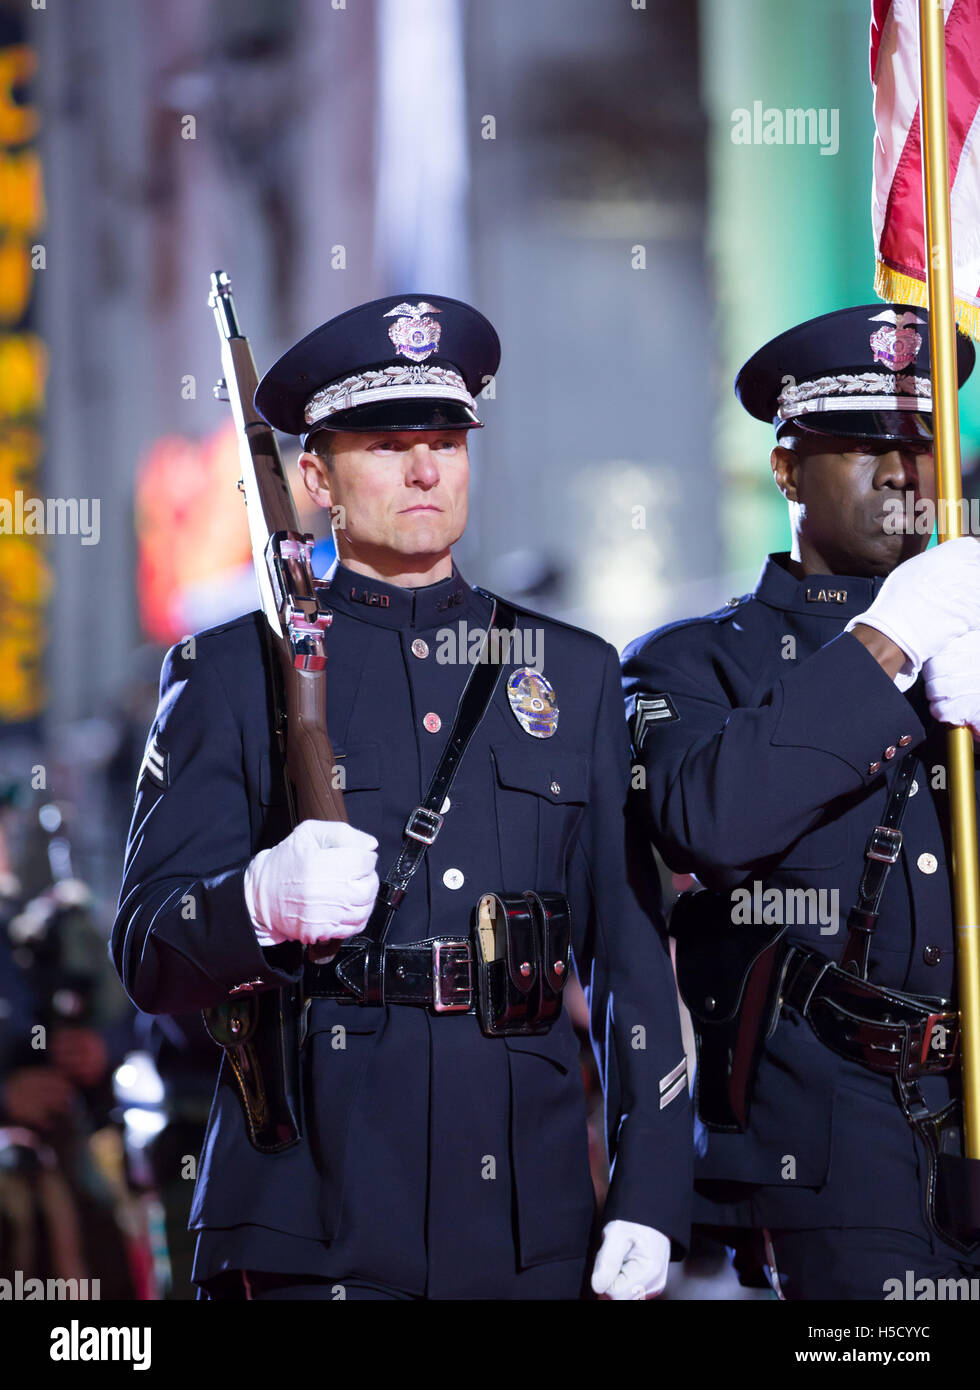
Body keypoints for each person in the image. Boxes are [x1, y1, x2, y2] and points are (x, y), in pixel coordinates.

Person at [112, 293, 691, 1301]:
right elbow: (148, 951)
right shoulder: (230, 669)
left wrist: (648, 1190)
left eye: (445, 440)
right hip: (309, 1207)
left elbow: (630, 970)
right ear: (314, 475)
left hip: (525, 1216)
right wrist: (254, 905)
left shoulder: (573, 671)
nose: (425, 469)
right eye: (388, 444)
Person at [623, 303, 980, 1300]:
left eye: (919, 445)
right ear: (785, 469)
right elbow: (711, 819)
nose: (903, 475)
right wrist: (891, 640)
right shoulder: (692, 661)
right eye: (864, 448)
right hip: (825, 1129)